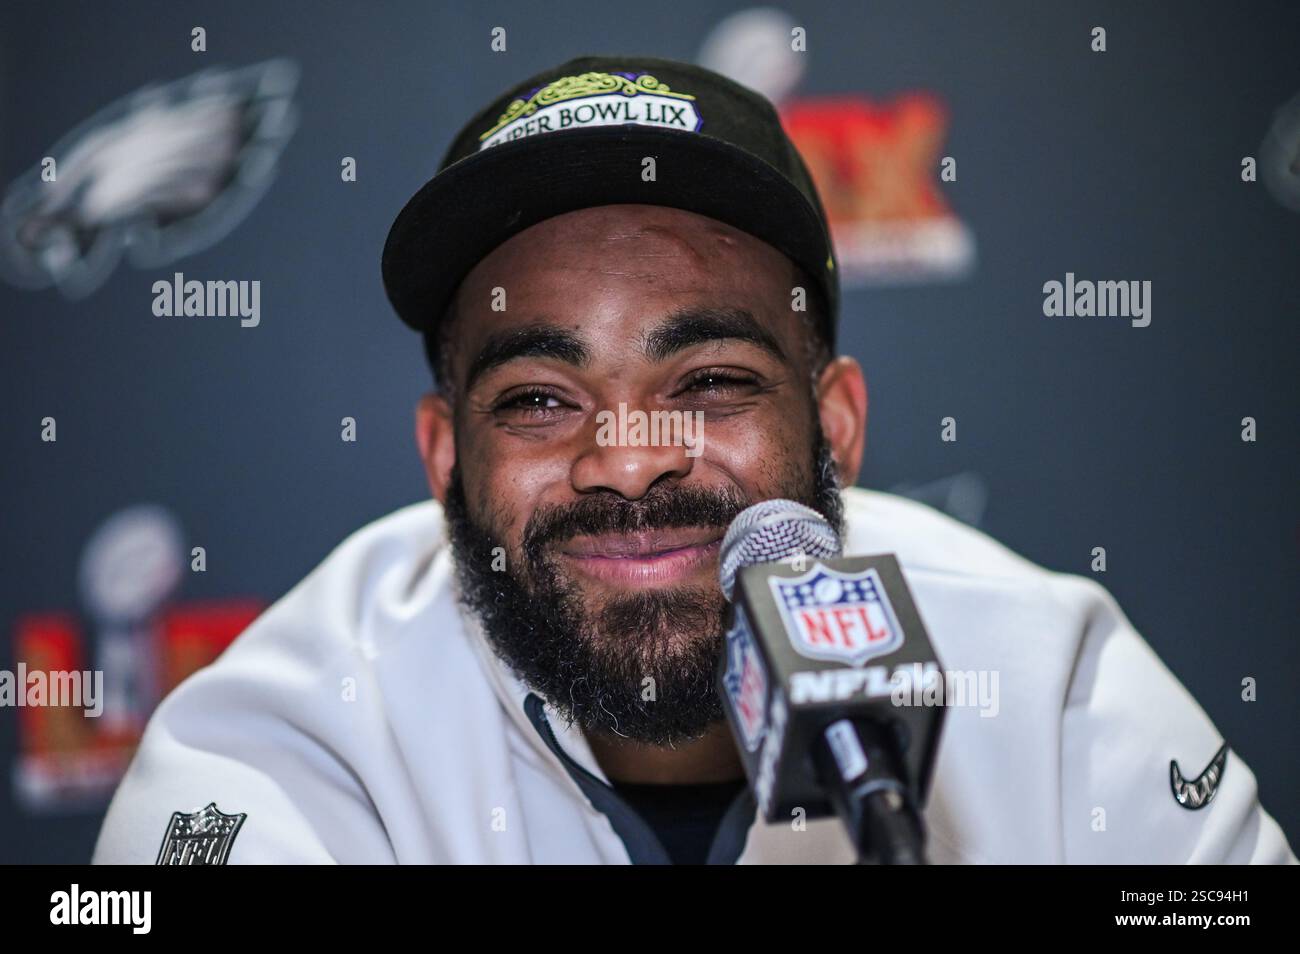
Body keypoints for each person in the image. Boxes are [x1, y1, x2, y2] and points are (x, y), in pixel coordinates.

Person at [94, 55, 1295, 865]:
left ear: (835, 423)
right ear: (443, 456)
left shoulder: (1050, 687)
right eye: (540, 398)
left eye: (709, 382)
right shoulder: (289, 744)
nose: (628, 462)